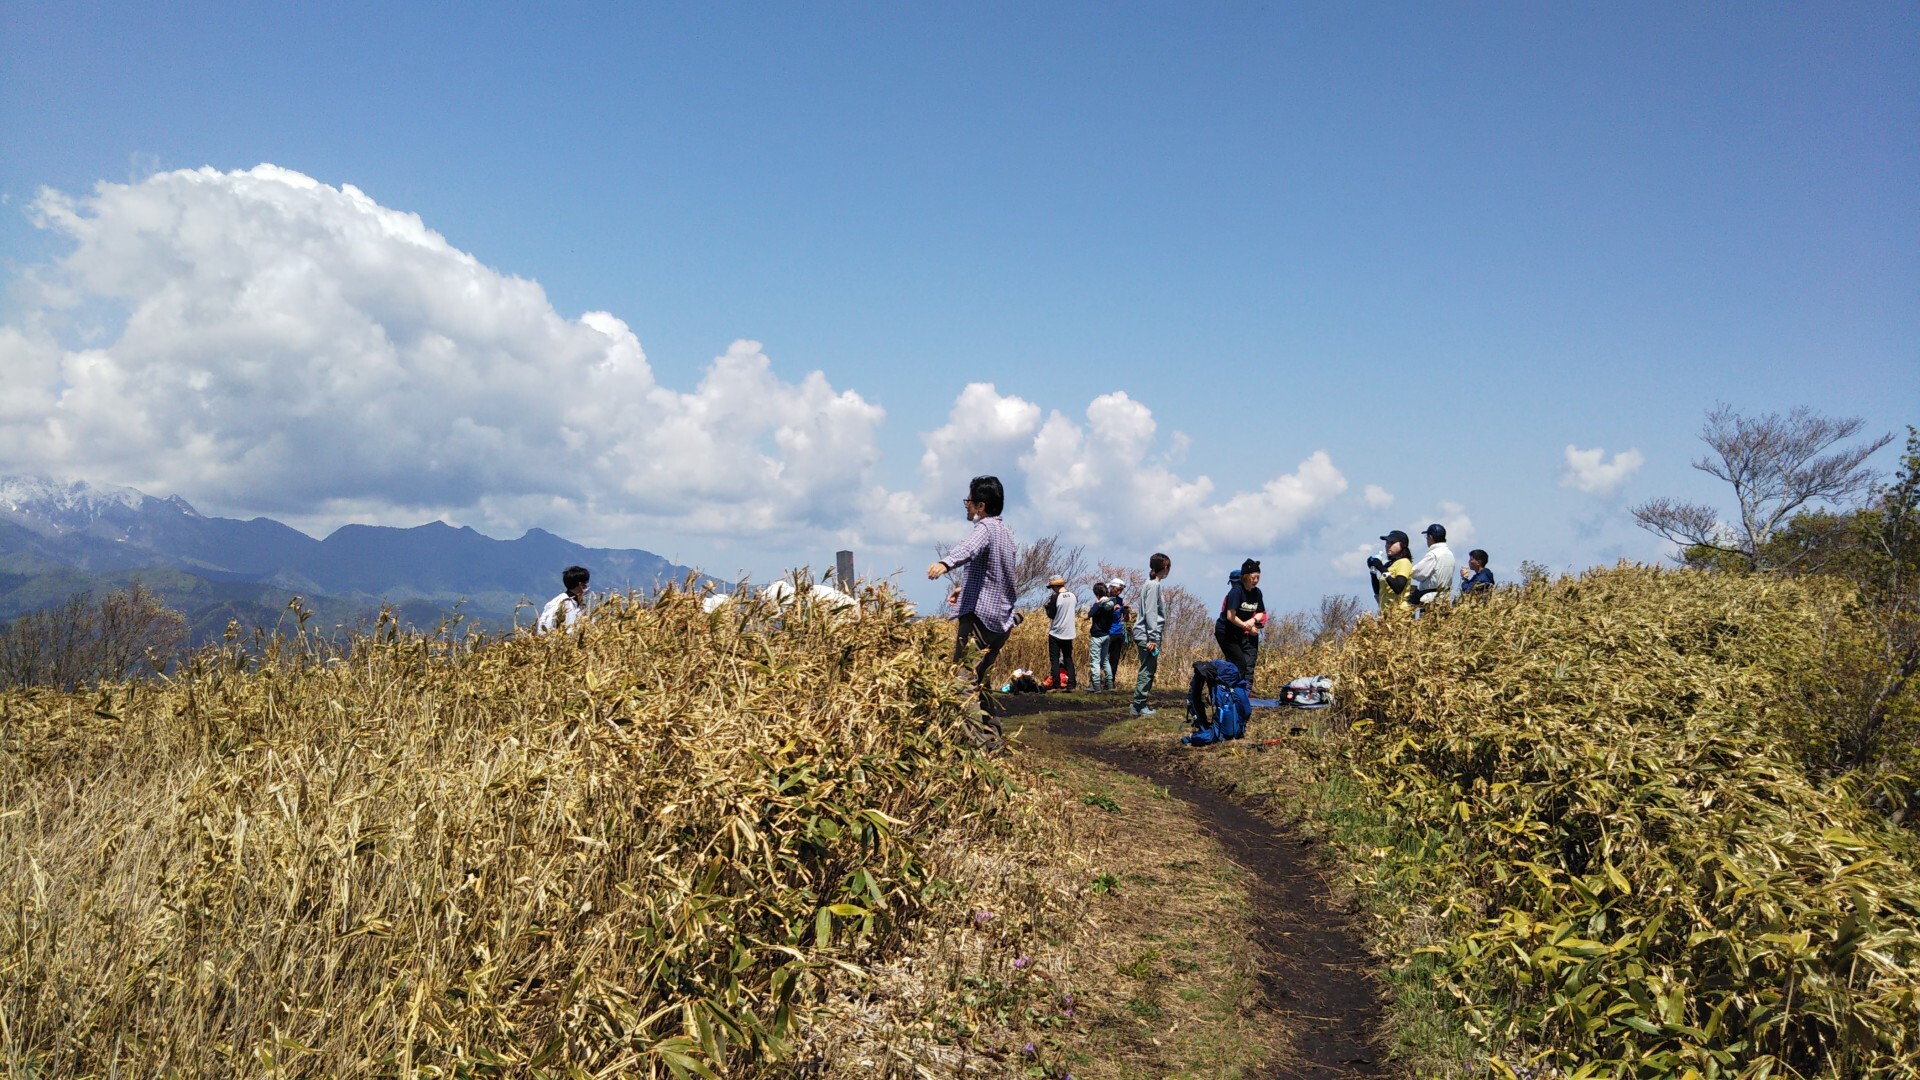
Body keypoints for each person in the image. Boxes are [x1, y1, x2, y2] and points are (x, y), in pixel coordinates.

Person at [926, 475, 1019, 715]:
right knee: (981, 683)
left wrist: (945, 563)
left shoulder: (985, 528)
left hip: (981, 619)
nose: (966, 505)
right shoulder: (1006, 533)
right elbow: (997, 573)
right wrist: (964, 588)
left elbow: (969, 547)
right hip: (1001, 620)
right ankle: (991, 738)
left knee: (962, 683)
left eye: (968, 500)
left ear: (981, 506)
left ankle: (977, 742)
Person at [1131, 552, 1172, 716]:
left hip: (1143, 633)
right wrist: (1153, 638)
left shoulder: (1149, 584)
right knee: (1147, 670)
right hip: (1146, 635)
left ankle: (1140, 703)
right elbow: (1151, 612)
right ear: (1165, 568)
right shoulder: (1154, 585)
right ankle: (1139, 705)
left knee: (1147, 668)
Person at [1215, 558, 1265, 682]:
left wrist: (1252, 622)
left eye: (1258, 577)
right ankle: (1223, 689)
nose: (1255, 580)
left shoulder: (1257, 593)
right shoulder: (1236, 592)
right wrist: (1246, 626)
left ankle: (1234, 691)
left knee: (1243, 665)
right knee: (1239, 663)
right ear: (1245, 577)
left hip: (1240, 632)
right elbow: (1230, 616)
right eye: (1253, 577)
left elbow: (1260, 612)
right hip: (1226, 632)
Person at [1410, 523, 1458, 612]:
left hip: (1430, 597)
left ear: (1431, 537)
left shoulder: (1433, 554)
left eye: (1427, 537)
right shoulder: (1449, 554)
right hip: (1445, 596)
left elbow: (1418, 573)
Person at [1368, 530, 1415, 615]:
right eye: (1387, 543)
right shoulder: (1390, 565)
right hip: (1385, 613)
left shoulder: (1404, 562)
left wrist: (1382, 569)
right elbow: (1378, 591)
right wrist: (1373, 571)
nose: (1388, 546)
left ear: (1402, 545)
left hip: (1399, 614)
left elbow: (1398, 588)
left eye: (1392, 543)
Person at [1044, 575, 1078, 689]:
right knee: (1068, 658)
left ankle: (1056, 684)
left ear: (1054, 586)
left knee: (1054, 659)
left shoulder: (1055, 597)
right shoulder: (1073, 596)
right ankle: (1072, 683)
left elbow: (1051, 615)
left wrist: (1047, 608)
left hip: (1056, 632)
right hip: (1069, 632)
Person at [537, 565, 591, 633]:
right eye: (586, 583)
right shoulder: (563, 603)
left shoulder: (577, 604)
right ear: (581, 585)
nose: (587, 586)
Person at [1087, 582, 1116, 692]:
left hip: (1097, 636)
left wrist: (1096, 604)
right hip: (1106, 635)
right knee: (1105, 660)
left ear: (1096, 593)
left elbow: (1089, 614)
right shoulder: (1111, 603)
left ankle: (1096, 685)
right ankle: (1109, 683)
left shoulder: (1099, 605)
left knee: (1095, 661)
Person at [1104, 578, 1129, 688]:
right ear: (1112, 587)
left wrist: (1126, 611)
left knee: (1114, 658)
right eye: (1117, 589)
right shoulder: (1105, 599)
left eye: (1120, 590)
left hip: (1118, 632)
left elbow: (1126, 619)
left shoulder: (1121, 601)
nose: (1119, 592)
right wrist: (1112, 609)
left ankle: (1110, 682)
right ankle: (1096, 680)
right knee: (1103, 658)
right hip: (1108, 632)